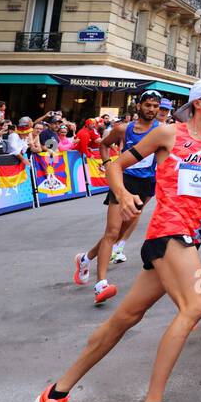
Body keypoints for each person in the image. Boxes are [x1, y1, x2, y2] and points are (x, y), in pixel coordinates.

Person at [33, 80, 201, 402]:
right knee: (195, 306)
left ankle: (53, 395)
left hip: (188, 237)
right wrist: (124, 194)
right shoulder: (168, 133)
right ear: (199, 104)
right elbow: (116, 164)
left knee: (124, 319)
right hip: (168, 233)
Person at [73, 92, 162, 305]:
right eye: (148, 105)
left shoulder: (162, 131)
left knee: (120, 232)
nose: (151, 109)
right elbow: (104, 144)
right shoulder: (124, 129)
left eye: (155, 106)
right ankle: (101, 284)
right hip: (123, 181)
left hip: (147, 184)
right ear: (139, 106)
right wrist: (106, 164)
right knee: (112, 231)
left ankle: (85, 259)